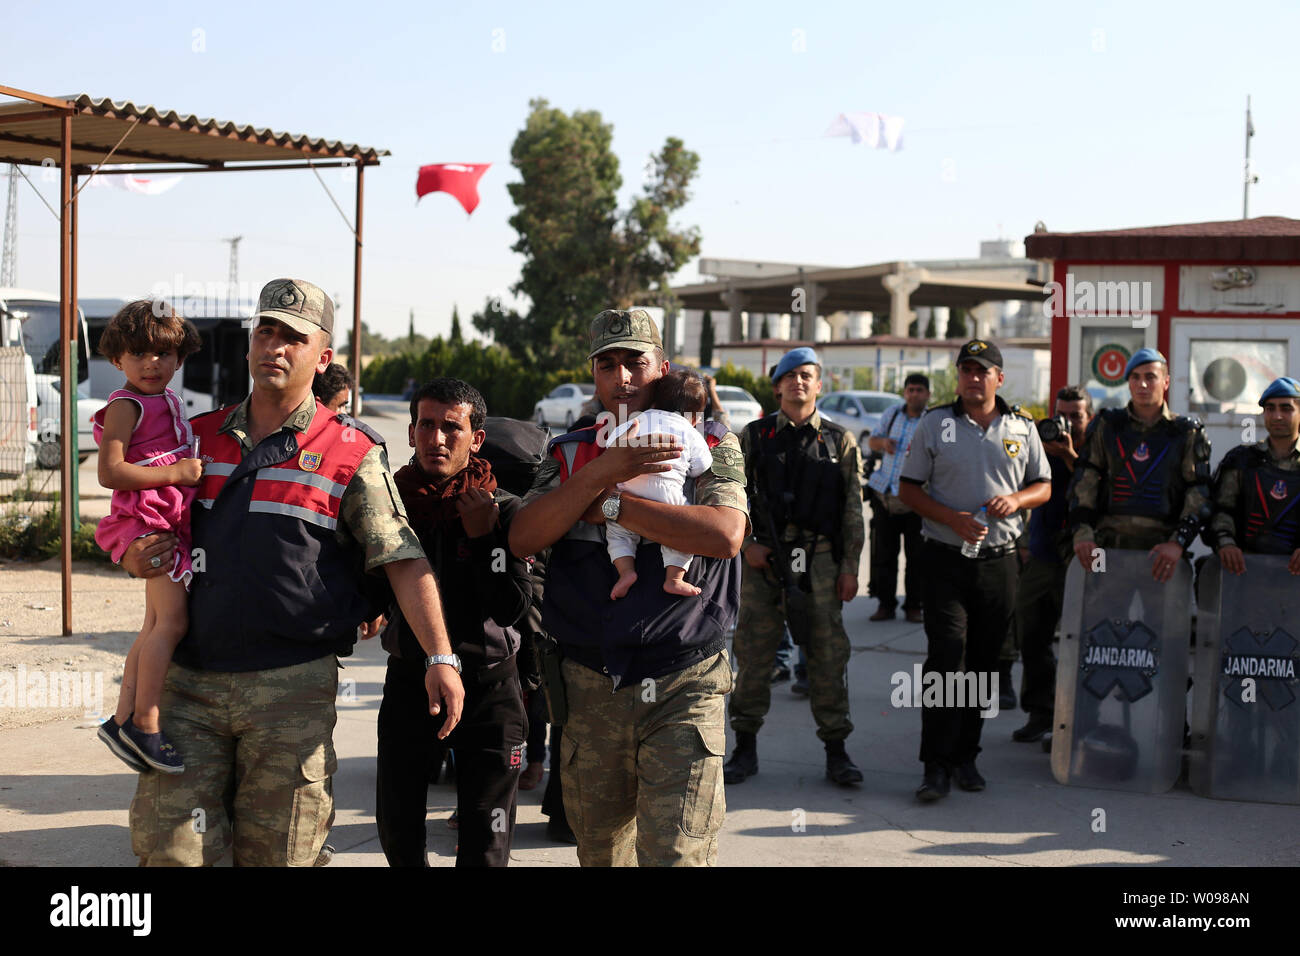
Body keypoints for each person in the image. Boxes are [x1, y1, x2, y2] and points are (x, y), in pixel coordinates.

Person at [119, 277, 465, 867]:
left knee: (279, 855)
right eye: (266, 331)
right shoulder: (193, 437)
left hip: (290, 693)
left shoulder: (351, 450)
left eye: (293, 338)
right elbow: (141, 520)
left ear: (323, 357)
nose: (274, 346)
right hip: (188, 687)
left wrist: (440, 656)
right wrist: (132, 555)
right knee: (170, 852)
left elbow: (402, 558)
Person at [509, 308, 747, 867]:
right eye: (607, 364)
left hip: (683, 680)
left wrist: (612, 505)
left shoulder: (709, 441)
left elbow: (725, 535)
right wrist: (601, 470)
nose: (622, 378)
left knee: (675, 856)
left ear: (661, 368)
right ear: (593, 373)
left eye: (635, 363)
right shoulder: (569, 452)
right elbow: (524, 537)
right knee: (600, 856)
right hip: (592, 686)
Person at [376, 378, 533, 867]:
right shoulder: (388, 506)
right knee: (399, 829)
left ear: (476, 438)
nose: (437, 438)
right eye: (427, 425)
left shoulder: (503, 509)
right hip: (411, 682)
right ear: (411, 431)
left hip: (490, 689)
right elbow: (367, 587)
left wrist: (486, 540)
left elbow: (512, 610)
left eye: (452, 427)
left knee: (486, 844)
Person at [897, 339, 1051, 801]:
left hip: (999, 563)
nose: (973, 377)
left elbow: (1043, 484)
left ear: (999, 379)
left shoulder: (1022, 427)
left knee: (984, 663)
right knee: (948, 658)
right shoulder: (935, 423)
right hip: (944, 557)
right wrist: (952, 519)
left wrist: (1018, 500)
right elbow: (907, 489)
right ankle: (935, 765)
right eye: (966, 370)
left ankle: (967, 756)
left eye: (982, 370)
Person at [724, 346, 867, 788]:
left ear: (819, 384)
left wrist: (849, 567)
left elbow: (852, 511)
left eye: (807, 375)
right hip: (766, 561)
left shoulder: (840, 441)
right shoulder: (754, 435)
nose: (798, 382)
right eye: (790, 376)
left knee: (827, 654)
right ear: (777, 386)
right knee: (753, 654)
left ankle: (836, 751)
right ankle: (744, 748)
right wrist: (746, 544)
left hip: (821, 560)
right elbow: (727, 493)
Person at [92, 300, 204, 774]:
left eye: (162, 354)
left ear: (179, 358)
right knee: (172, 624)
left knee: (153, 623)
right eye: (137, 354)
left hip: (166, 515)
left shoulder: (169, 400)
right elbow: (110, 471)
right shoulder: (126, 404)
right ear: (117, 360)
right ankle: (147, 723)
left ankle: (122, 720)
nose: (151, 364)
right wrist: (177, 470)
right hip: (149, 520)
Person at [1068, 347, 1212, 582]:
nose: (1142, 385)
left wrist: (1178, 543)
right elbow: (1086, 480)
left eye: (1150, 377)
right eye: (1135, 377)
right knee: (1105, 617)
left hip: (1163, 552)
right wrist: (1083, 535)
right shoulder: (1108, 425)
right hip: (1109, 548)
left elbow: (1199, 493)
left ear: (1165, 382)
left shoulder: (1186, 432)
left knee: (1161, 620)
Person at [1006, 384, 1092, 744]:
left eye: (1076, 416)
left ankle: (1076, 722)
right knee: (1031, 635)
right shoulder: (1042, 442)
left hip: (1082, 558)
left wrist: (1072, 456)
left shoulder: (1096, 449)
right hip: (1042, 554)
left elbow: (1094, 491)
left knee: (1080, 640)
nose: (1068, 423)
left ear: (1090, 417)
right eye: (1063, 415)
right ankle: (1040, 714)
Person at [603, 369, 714, 599]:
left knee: (617, 533)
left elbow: (612, 446)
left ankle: (626, 572)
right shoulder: (689, 431)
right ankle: (674, 579)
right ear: (695, 418)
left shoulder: (635, 420)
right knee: (683, 532)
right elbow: (702, 466)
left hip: (627, 491)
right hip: (667, 495)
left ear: (654, 400)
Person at [1206, 376, 1300, 574]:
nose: (1277, 416)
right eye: (1270, 409)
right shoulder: (1241, 460)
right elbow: (1221, 509)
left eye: (1286, 408)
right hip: (1244, 575)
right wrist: (1226, 543)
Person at [865, 373, 930, 623]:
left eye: (919, 390)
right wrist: (883, 442)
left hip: (916, 500)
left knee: (917, 558)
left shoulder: (932, 421)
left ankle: (914, 606)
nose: (914, 394)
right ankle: (885, 605)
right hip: (885, 495)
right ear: (905, 393)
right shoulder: (892, 414)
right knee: (884, 556)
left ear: (927, 395)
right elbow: (872, 441)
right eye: (910, 389)